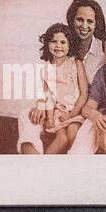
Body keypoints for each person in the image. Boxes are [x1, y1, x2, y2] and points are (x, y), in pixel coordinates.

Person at [17, 23, 89, 155]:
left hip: (75, 111)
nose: (58, 46)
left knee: (73, 132)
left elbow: (84, 93)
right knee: (62, 138)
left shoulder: (76, 64)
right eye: (54, 41)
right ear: (47, 44)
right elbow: (47, 96)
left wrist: (72, 114)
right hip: (57, 112)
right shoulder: (45, 68)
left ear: (70, 45)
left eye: (63, 42)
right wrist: (50, 119)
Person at [65, 0, 106, 81]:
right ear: (72, 21)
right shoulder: (63, 47)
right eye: (80, 20)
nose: (84, 26)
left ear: (96, 24)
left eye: (90, 21)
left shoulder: (104, 50)